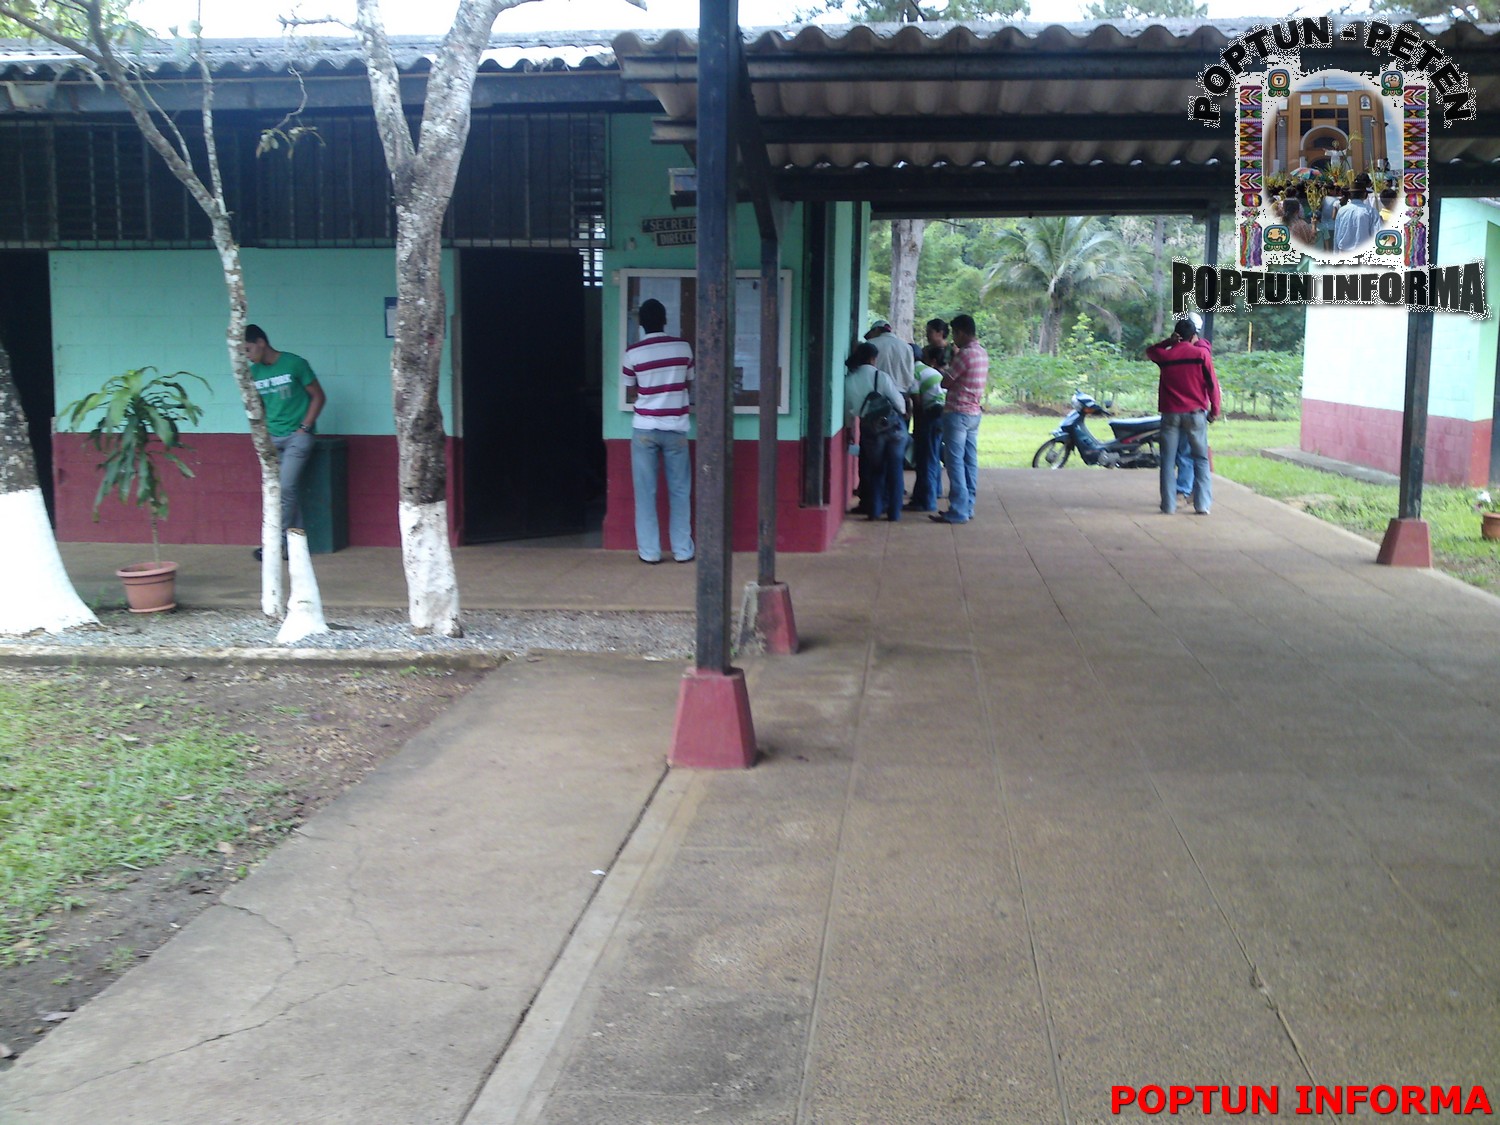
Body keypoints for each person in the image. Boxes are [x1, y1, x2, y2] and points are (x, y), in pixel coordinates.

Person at [622, 298, 695, 564]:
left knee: (645, 494)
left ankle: (650, 552)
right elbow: (688, 383)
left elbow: (631, 389)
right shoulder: (683, 348)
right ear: (665, 320)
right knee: (680, 492)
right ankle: (683, 550)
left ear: (641, 323)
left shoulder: (633, 353)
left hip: (644, 429)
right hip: (676, 428)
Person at [245, 323, 326, 562]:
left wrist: (305, 428)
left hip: (297, 437)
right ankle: (295, 546)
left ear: (261, 342)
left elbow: (319, 397)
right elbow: (257, 407)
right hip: (271, 438)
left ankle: (274, 542)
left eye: (248, 349)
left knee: (285, 488)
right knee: (286, 491)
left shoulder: (294, 364)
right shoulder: (253, 373)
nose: (247, 356)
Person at [1146, 318, 1221, 516]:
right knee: (1201, 459)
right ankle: (1202, 505)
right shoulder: (1201, 354)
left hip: (1170, 415)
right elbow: (1212, 385)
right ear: (1194, 336)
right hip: (1195, 414)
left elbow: (1150, 351)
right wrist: (1214, 411)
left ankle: (1168, 506)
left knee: (1168, 461)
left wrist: (1168, 342)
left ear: (1176, 335)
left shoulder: (1166, 356)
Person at [931, 313, 987, 525]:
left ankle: (958, 509)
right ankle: (968, 506)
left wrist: (944, 369)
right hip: (974, 413)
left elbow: (946, 382)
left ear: (962, 333)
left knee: (954, 463)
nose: (953, 338)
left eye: (955, 333)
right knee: (970, 461)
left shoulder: (965, 355)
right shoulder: (982, 353)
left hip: (957, 413)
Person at [844, 342, 906, 521]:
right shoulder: (881, 376)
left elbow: (848, 410)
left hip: (869, 429)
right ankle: (894, 513)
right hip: (892, 427)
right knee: (895, 470)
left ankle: (874, 510)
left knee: (875, 470)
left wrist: (849, 429)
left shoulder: (849, 380)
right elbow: (900, 404)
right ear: (873, 359)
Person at [905, 344, 947, 512]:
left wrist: (917, 427)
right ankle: (931, 493)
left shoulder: (914, 372)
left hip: (930, 416)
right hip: (942, 415)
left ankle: (927, 501)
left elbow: (917, 402)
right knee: (933, 456)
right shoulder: (930, 370)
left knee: (925, 459)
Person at [1333, 174, 1380, 253]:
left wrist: (1336, 254)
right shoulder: (1371, 211)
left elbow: (1337, 234)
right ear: (1365, 195)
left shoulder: (1342, 211)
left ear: (1350, 195)